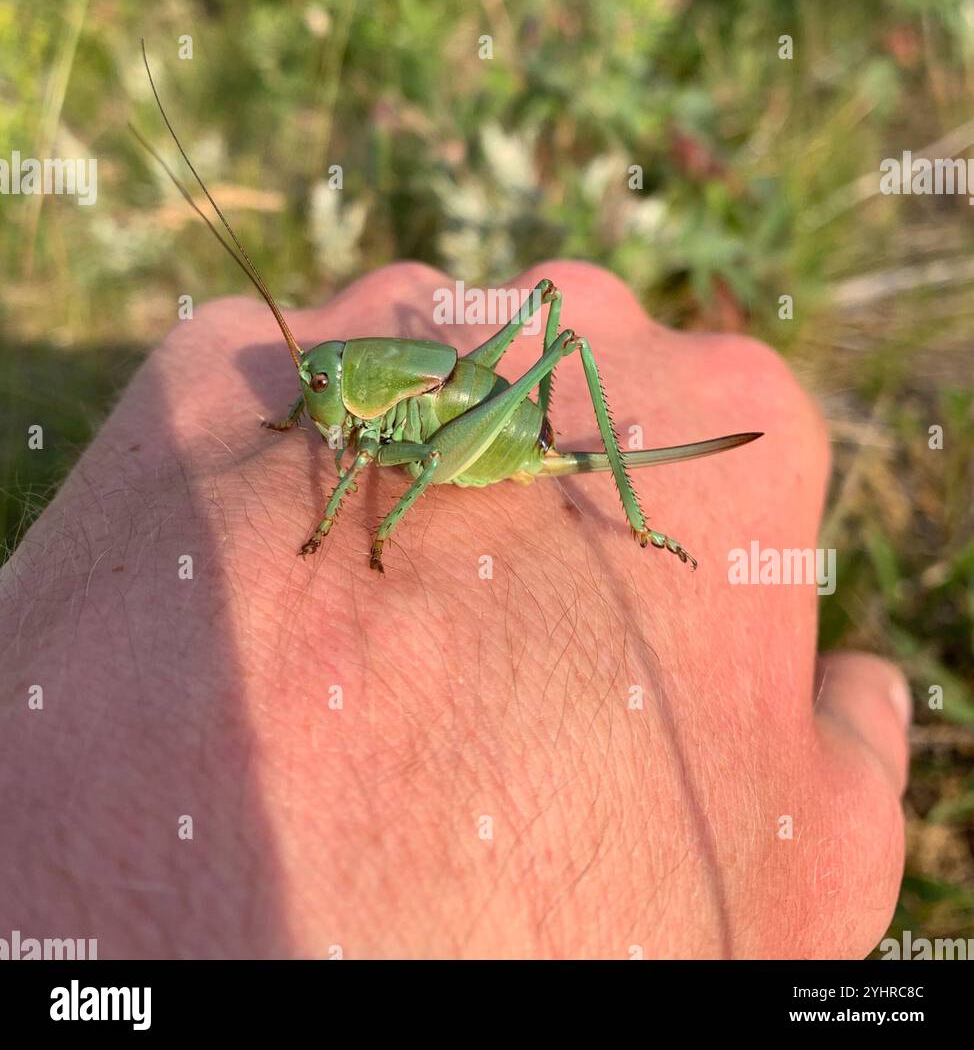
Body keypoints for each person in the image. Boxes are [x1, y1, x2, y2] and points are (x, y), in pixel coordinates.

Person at [0, 260, 909, 958]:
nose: (313, 399)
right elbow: (338, 417)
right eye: (310, 388)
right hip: (449, 404)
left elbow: (399, 462)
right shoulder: (338, 387)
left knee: (491, 396)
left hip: (476, 437)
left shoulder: (370, 418)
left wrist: (360, 529)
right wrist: (298, 416)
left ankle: (636, 518)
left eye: (317, 391)